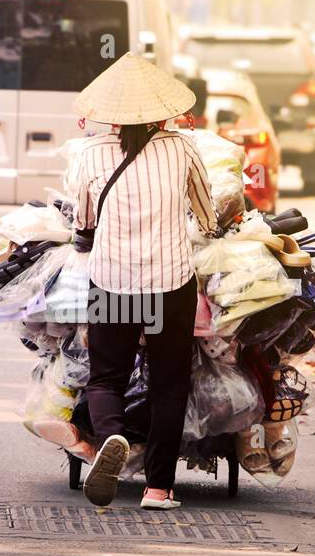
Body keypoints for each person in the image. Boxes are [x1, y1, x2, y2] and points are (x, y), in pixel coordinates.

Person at [70, 53, 219, 511]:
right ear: (161, 108)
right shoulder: (181, 147)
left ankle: (112, 433)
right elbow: (207, 215)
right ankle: (159, 489)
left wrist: (88, 236)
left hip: (111, 282)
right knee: (169, 385)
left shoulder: (90, 153)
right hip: (169, 285)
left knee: (106, 378)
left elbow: (83, 221)